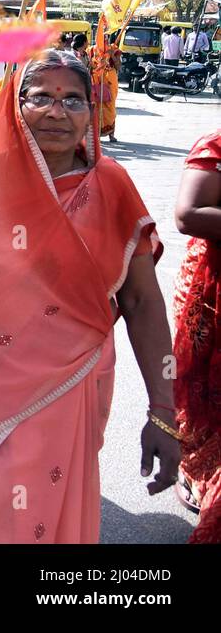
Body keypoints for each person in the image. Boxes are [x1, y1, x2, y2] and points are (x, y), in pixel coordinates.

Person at [0, 50, 179, 543]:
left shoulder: (109, 186)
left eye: (73, 100)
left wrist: (163, 412)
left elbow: (142, 303)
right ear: (15, 105)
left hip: (64, 393)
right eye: (41, 97)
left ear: (93, 112)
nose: (56, 112)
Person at [171, 128, 221, 542]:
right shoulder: (215, 146)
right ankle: (198, 472)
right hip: (211, 294)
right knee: (204, 393)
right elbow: (188, 214)